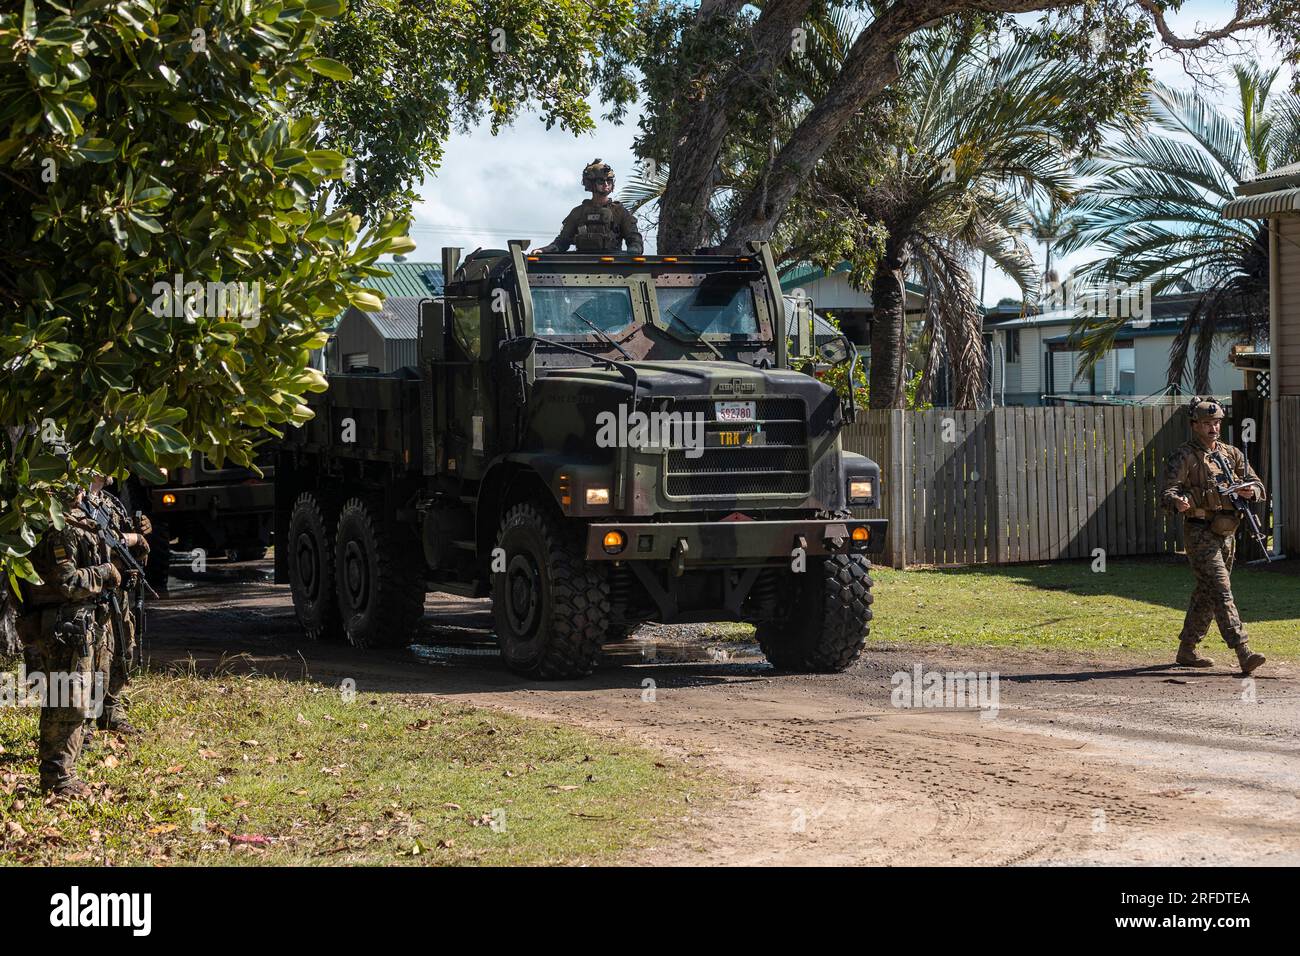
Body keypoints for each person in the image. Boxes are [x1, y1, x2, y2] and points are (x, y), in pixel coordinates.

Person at [14, 487, 123, 797]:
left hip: (77, 625)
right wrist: (105, 572)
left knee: (78, 700)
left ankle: (66, 771)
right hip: (64, 626)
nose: (83, 490)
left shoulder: (81, 522)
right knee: (65, 702)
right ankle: (57, 777)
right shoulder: (59, 528)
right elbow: (67, 583)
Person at [1160, 397, 1267, 674]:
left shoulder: (1231, 454)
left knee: (1207, 592)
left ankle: (1187, 649)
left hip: (1227, 533)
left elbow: (1257, 485)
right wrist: (1178, 501)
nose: (1213, 428)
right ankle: (1243, 650)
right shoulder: (1184, 456)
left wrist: (1249, 491)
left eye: (1217, 423)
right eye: (1207, 423)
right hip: (1199, 532)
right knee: (1221, 590)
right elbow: (1167, 492)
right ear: (1195, 425)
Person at [85, 477, 149, 735]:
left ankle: (110, 710)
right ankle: (86, 722)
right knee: (95, 658)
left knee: (124, 649)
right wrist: (129, 538)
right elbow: (94, 540)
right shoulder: (79, 503)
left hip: (118, 591)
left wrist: (142, 533)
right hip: (95, 591)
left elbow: (131, 544)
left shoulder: (110, 503)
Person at [537, 159, 644, 254]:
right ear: (591, 184)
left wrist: (634, 249)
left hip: (613, 266)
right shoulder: (578, 212)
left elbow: (634, 239)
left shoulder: (619, 212)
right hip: (582, 266)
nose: (606, 184)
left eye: (609, 181)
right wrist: (545, 250)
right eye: (601, 181)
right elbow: (562, 242)